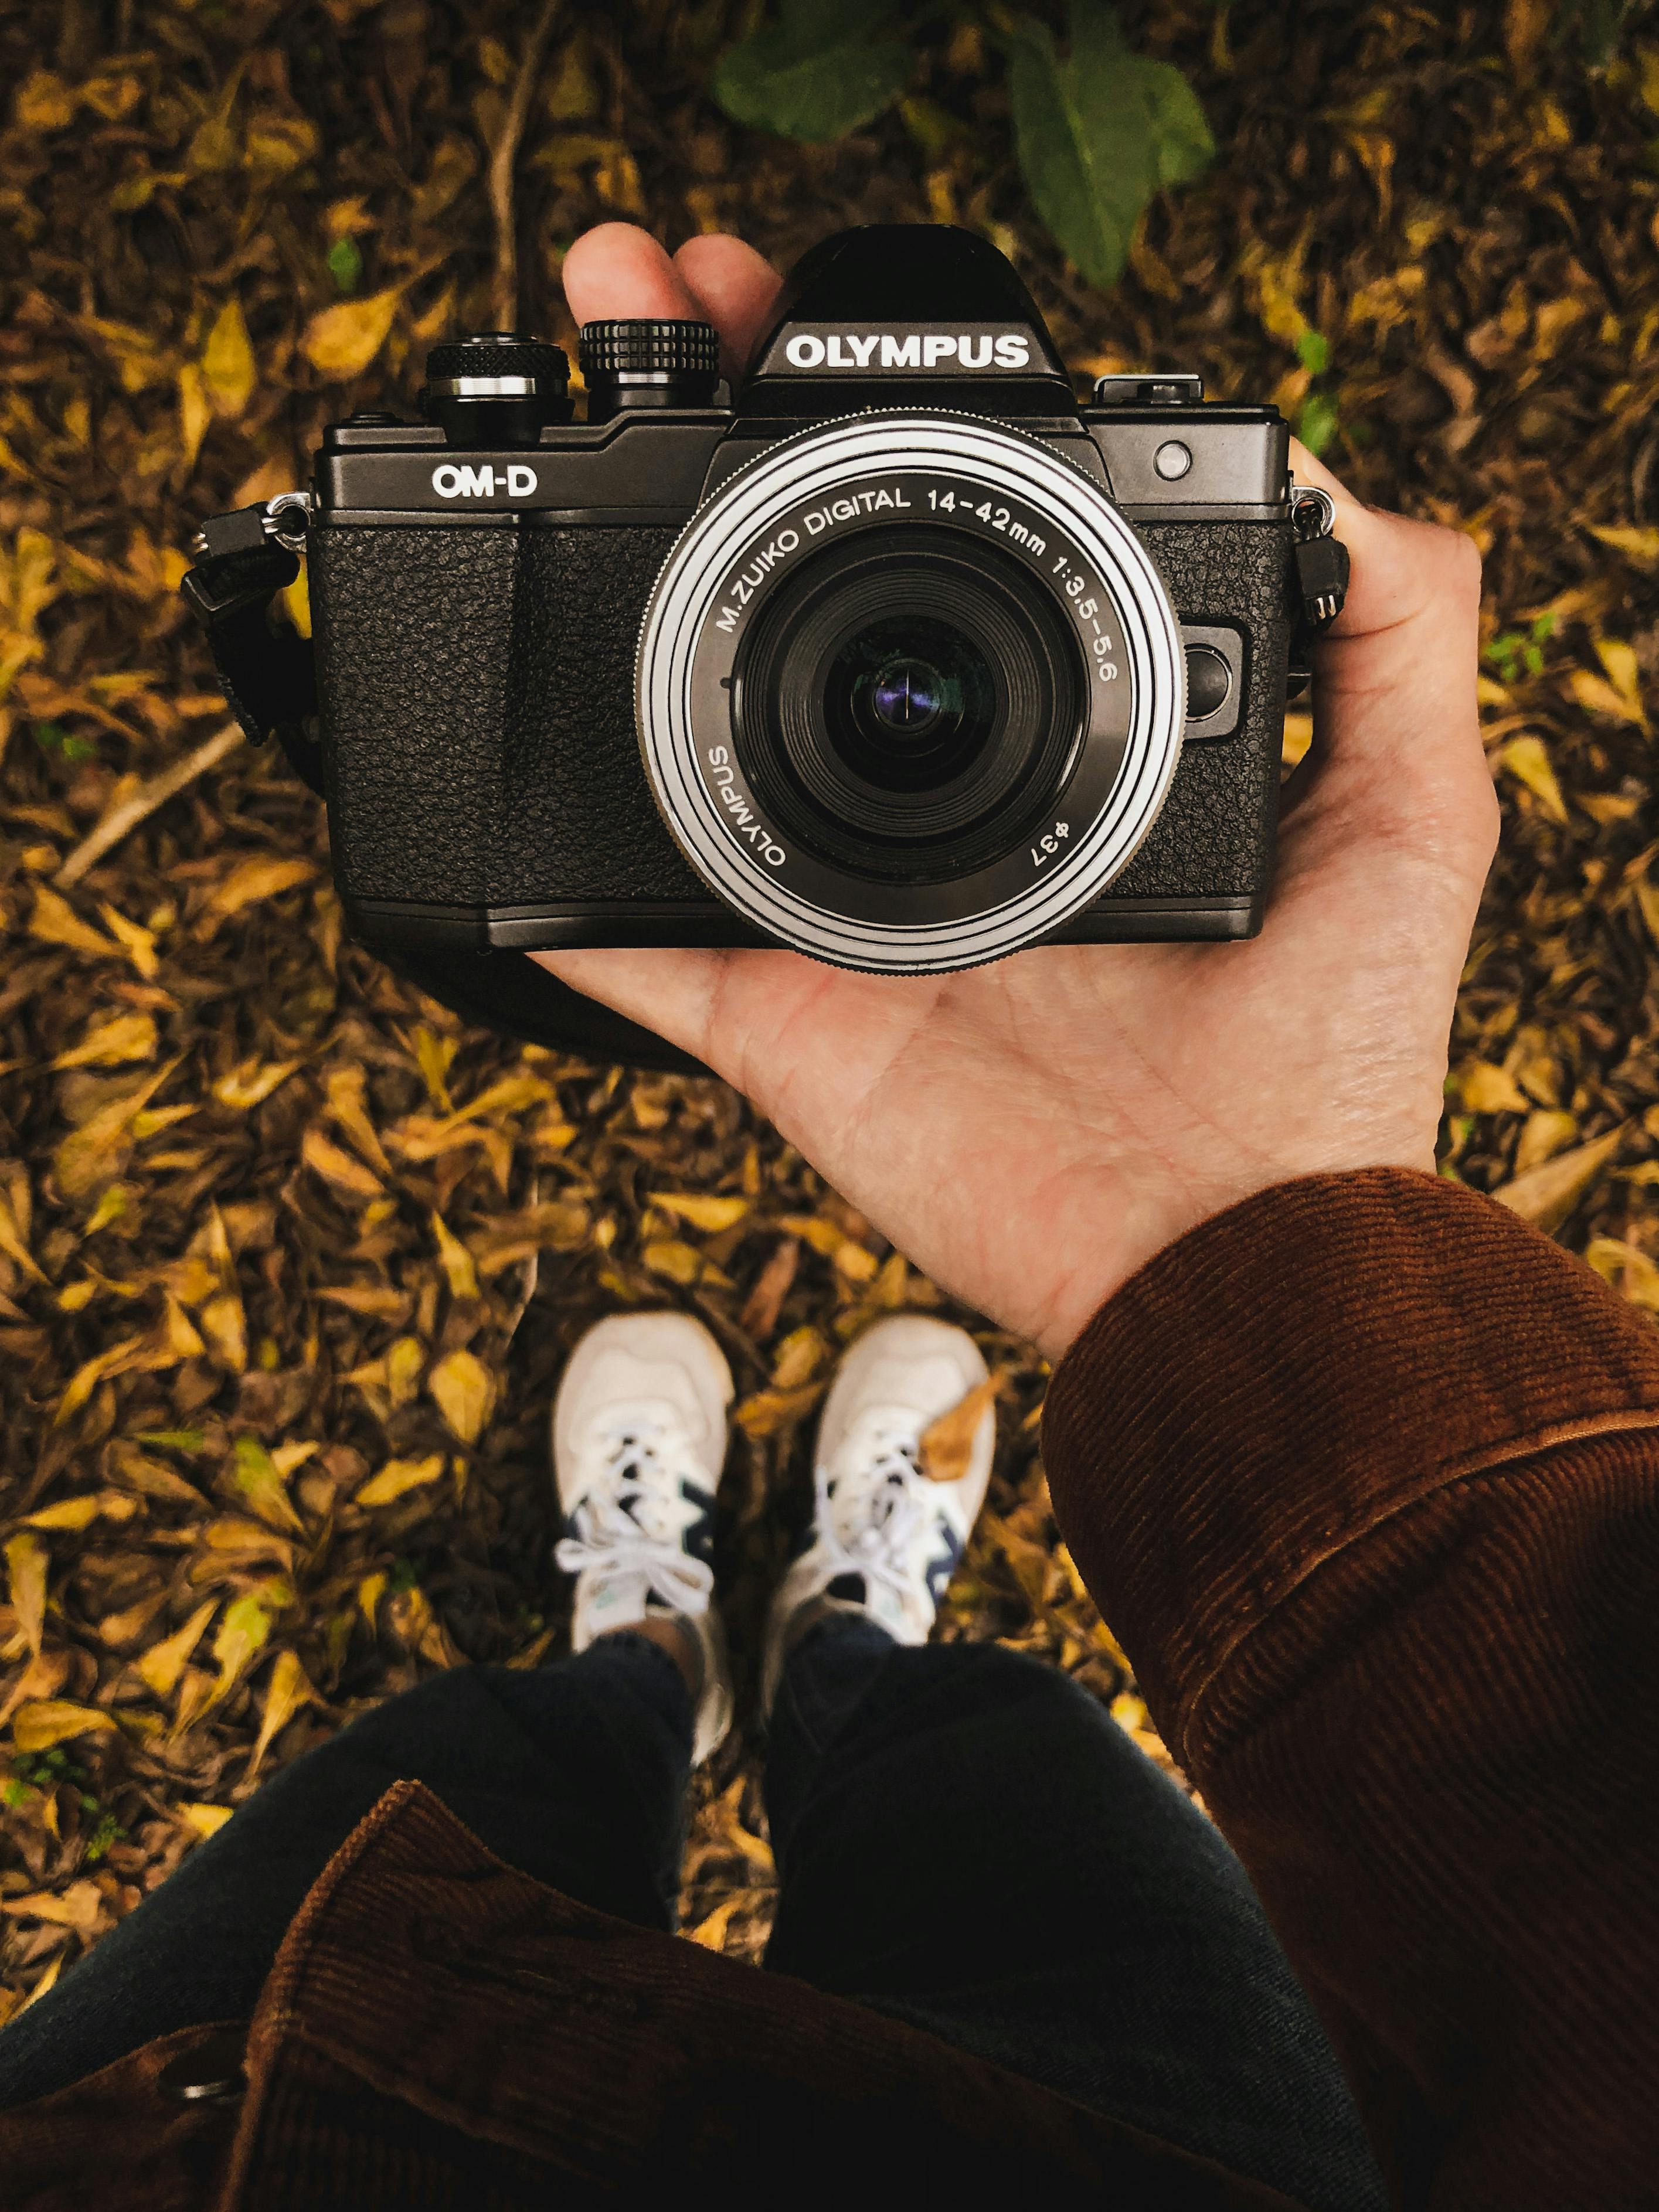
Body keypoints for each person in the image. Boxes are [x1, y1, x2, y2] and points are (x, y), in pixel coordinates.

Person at [1, 221, 1652, 2210]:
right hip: (1170, 2150)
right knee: (1019, 1791)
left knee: (460, 1794)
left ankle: (639, 1662)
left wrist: (1242, 1220)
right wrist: (1264, 1234)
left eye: (938, 665)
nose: (902, 692)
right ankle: (843, 1659)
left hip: (228, 2131)